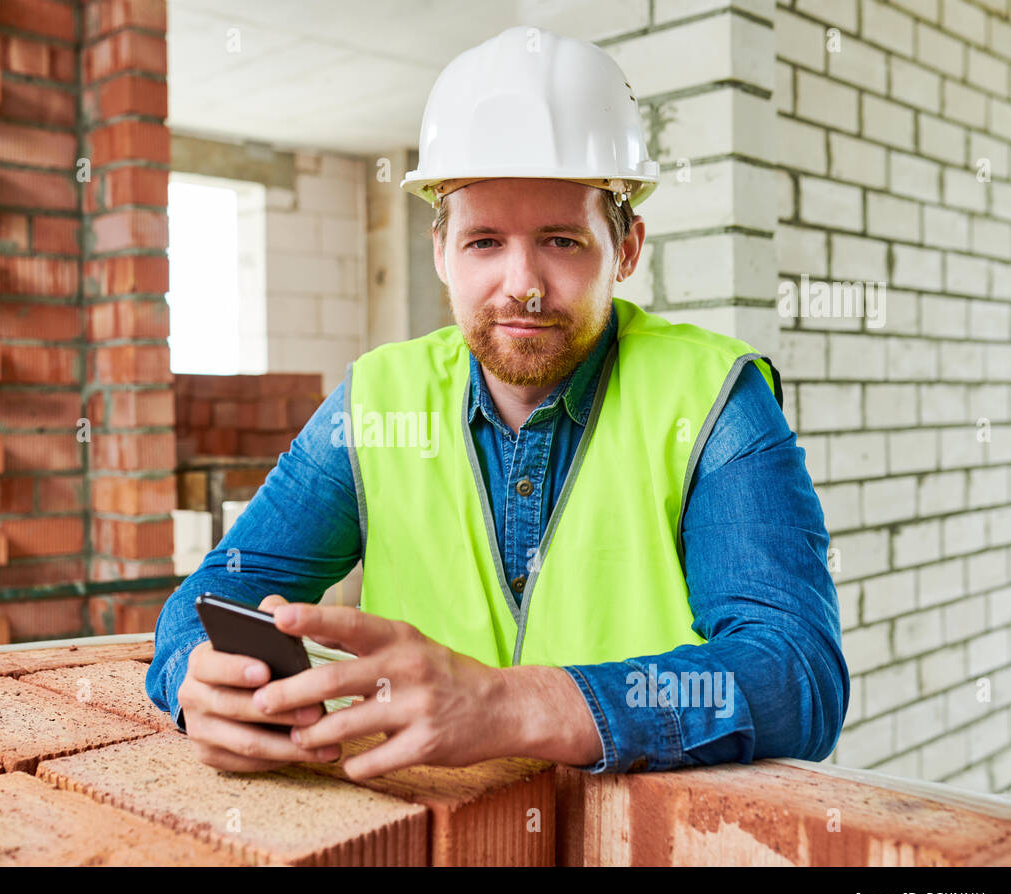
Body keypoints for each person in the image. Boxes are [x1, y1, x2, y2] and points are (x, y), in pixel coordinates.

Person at [147, 25, 848, 780]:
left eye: (561, 240)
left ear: (628, 249)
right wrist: (199, 683)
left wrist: (514, 706)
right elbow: (214, 594)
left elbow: (794, 676)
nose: (523, 283)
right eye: (485, 242)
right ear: (442, 250)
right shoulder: (379, 399)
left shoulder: (712, 399)